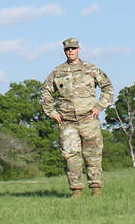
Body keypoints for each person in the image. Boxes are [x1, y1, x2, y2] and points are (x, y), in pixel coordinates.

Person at [40, 38, 114, 197]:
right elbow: (45, 93)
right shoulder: (58, 72)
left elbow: (108, 88)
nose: (70, 51)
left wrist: (100, 106)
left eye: (73, 48)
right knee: (71, 156)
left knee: (93, 155)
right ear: (65, 52)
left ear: (79, 49)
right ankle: (76, 190)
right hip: (67, 123)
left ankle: (96, 189)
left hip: (89, 119)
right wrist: (52, 112)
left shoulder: (91, 69)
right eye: (67, 49)